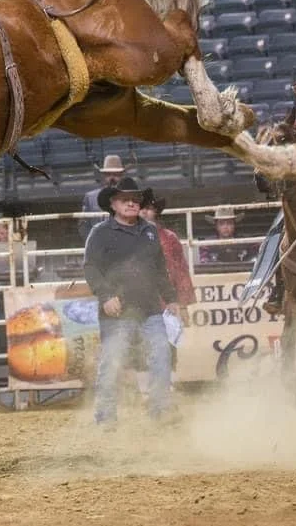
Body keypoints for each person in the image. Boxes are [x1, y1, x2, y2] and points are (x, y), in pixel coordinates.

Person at [83, 177, 179, 426]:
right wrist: (105, 295)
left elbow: (159, 268)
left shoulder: (149, 231)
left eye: (136, 199)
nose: (132, 203)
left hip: (149, 308)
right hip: (118, 310)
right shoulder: (100, 233)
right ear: (113, 204)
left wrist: (171, 298)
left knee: (161, 354)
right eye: (125, 199)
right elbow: (91, 268)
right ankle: (105, 417)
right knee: (112, 361)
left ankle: (159, 411)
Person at [139, 197, 195, 314]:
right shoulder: (127, 238)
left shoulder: (169, 237)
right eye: (141, 208)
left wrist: (183, 305)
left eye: (148, 208)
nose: (144, 212)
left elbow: (181, 271)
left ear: (155, 212)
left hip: (167, 301)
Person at [79, 154, 127, 240]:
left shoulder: (131, 197)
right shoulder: (90, 198)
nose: (112, 178)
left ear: (122, 175)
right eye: (108, 174)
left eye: (116, 174)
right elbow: (83, 226)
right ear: (103, 176)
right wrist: (94, 243)